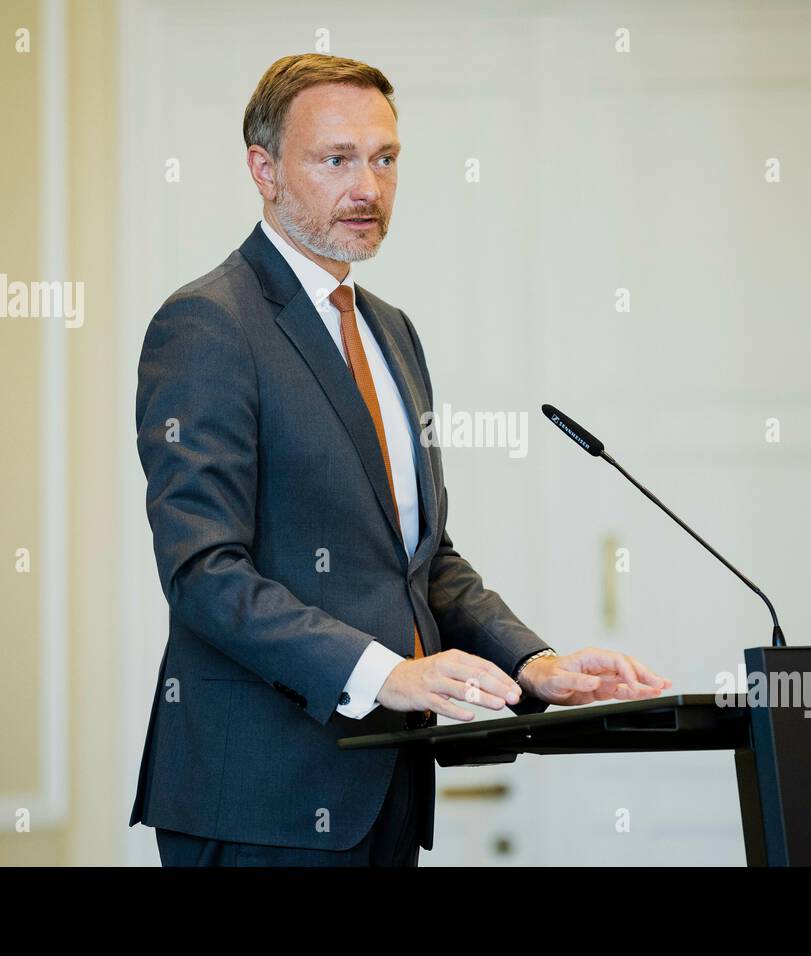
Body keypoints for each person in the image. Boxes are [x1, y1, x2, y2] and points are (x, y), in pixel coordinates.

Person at [131, 52, 671, 867]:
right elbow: (204, 572)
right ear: (263, 169)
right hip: (259, 802)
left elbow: (422, 561)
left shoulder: (391, 331)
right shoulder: (208, 324)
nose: (368, 188)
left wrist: (535, 661)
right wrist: (386, 673)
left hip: (387, 785)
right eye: (336, 159)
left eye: (385, 159)